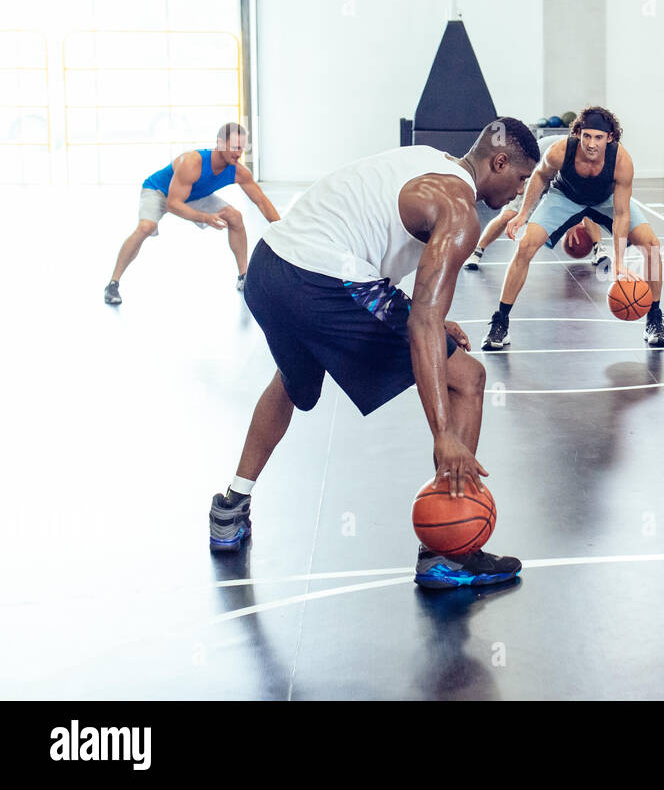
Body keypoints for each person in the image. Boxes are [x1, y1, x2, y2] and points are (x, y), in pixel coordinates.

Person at [209, 119, 541, 589]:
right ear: (500, 162)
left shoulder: (427, 160)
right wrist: (444, 433)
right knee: (467, 377)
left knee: (292, 383)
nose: (522, 190)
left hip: (271, 267)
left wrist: (420, 313)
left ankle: (231, 508)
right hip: (324, 282)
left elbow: (375, 242)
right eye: (523, 179)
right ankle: (448, 552)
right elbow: (422, 321)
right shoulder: (461, 211)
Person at [481, 106, 664, 350]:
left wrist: (619, 261)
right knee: (526, 245)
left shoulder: (621, 162)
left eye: (598, 137)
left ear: (610, 137)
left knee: (652, 244)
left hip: (606, 200)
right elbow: (539, 176)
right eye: (587, 136)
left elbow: (621, 214)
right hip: (565, 197)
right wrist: (524, 213)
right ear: (578, 133)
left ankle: (654, 317)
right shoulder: (560, 151)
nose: (591, 144)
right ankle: (500, 322)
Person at [104, 122, 279, 304]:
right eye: (234, 147)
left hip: (194, 196)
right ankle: (113, 284)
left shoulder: (239, 172)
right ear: (220, 143)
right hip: (159, 192)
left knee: (235, 216)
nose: (238, 153)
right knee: (146, 227)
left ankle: (244, 277)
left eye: (242, 148)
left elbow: (261, 202)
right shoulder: (192, 162)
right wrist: (205, 217)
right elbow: (172, 204)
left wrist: (281, 228)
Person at [464, 194, 608, 271]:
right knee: (509, 215)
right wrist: (523, 212)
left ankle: (599, 247)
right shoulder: (552, 155)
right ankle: (477, 250)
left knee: (588, 205)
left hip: (559, 184)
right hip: (535, 177)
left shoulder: (583, 163)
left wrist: (574, 221)